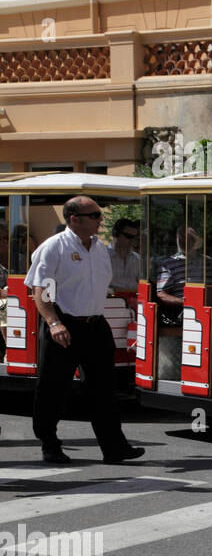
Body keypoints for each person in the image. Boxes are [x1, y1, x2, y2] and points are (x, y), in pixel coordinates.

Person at [25, 196, 143, 464]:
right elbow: (40, 289)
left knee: (104, 389)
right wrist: (54, 323)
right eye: (94, 215)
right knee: (53, 389)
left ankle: (114, 448)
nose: (100, 220)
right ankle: (49, 444)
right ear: (74, 219)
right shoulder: (54, 247)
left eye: (99, 215)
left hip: (95, 324)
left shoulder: (99, 248)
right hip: (64, 324)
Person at [155, 227, 212, 325]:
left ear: (196, 241)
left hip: (211, 309)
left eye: (188, 238)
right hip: (184, 311)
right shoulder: (168, 264)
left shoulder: (210, 262)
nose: (183, 241)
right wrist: (185, 302)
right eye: (180, 238)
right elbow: (161, 294)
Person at [109, 218, 141, 293]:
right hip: (112, 300)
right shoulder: (103, 257)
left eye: (134, 237)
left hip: (134, 299)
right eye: (128, 236)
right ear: (116, 234)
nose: (132, 240)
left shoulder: (137, 258)